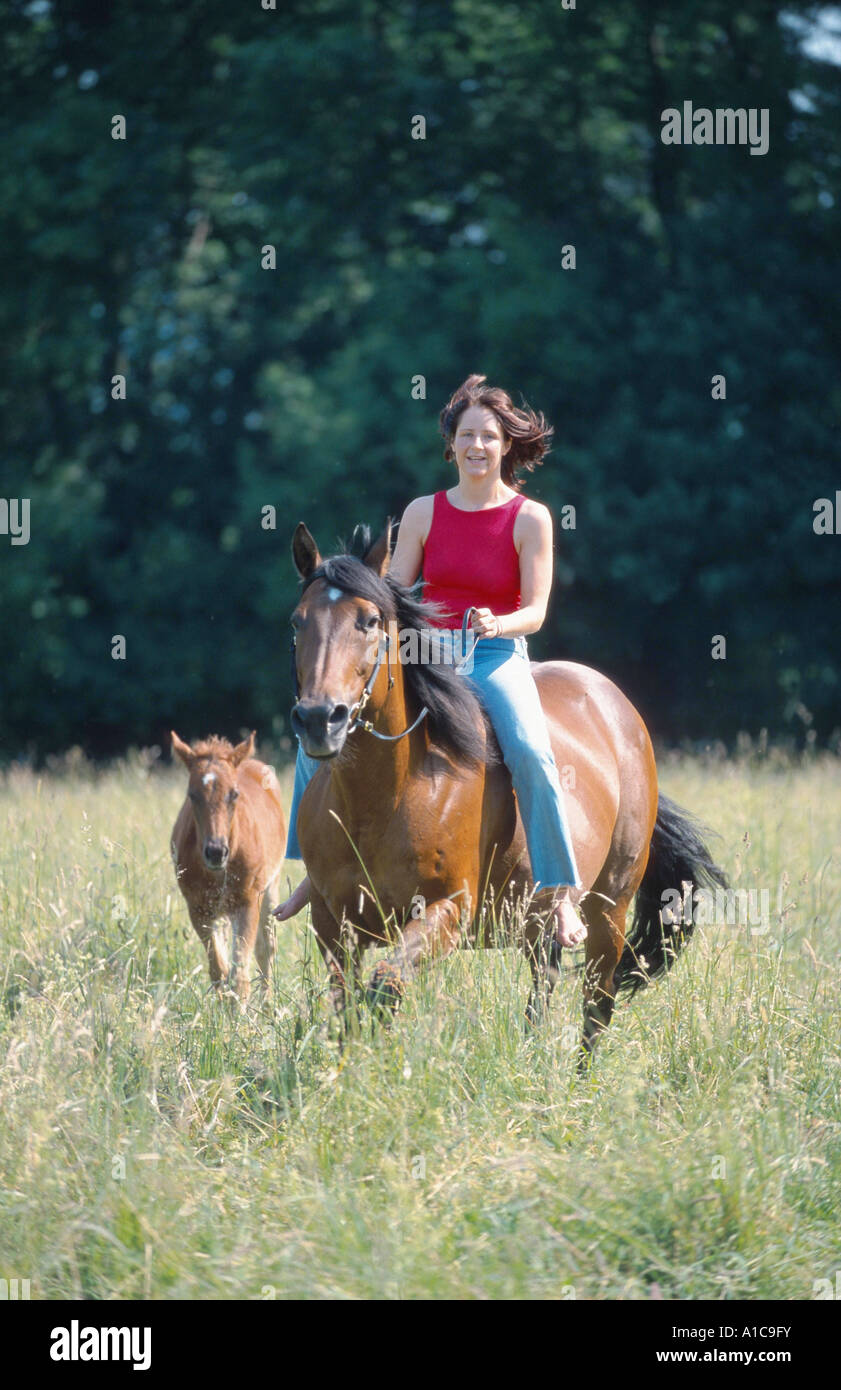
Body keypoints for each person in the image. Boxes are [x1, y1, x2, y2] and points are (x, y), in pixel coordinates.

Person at [275, 373, 587, 949]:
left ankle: (560, 892)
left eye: (489, 436)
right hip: (425, 653)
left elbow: (538, 610)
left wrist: (500, 622)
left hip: (495, 654)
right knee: (313, 729)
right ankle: (311, 874)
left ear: (507, 445)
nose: (477, 446)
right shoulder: (421, 512)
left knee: (530, 749)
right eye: (467, 435)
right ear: (451, 446)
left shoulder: (531, 518)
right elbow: (390, 598)